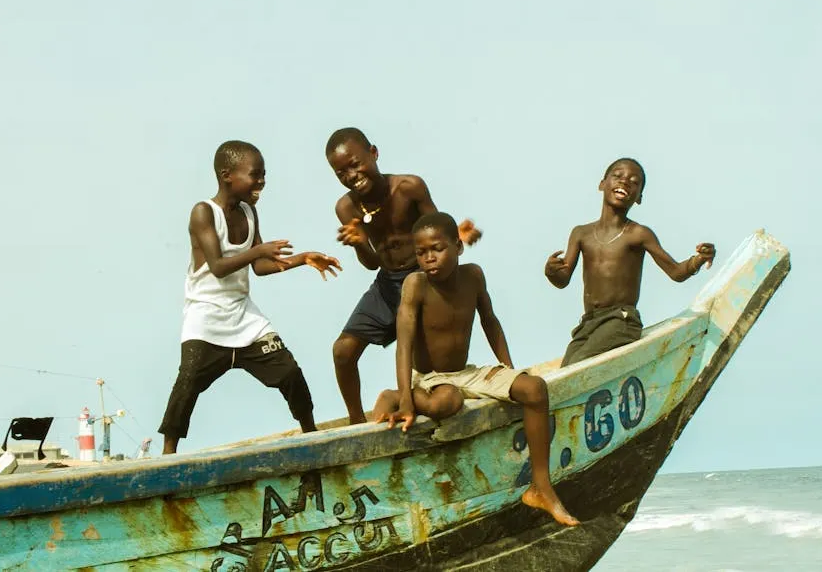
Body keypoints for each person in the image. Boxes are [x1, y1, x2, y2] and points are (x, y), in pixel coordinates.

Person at [372, 212, 579, 526]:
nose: (428, 258)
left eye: (437, 249)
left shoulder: (474, 276)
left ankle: (541, 488)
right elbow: (403, 343)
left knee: (535, 388)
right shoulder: (415, 285)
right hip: (429, 379)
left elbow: (490, 321)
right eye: (421, 252)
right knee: (448, 402)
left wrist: (509, 371)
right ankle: (399, 395)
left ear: (458, 246)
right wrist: (405, 400)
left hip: (467, 372)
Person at [158, 140, 342, 454]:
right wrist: (258, 249)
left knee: (289, 372)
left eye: (263, 175)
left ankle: (312, 436)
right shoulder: (204, 212)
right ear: (227, 175)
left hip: (243, 316)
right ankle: (167, 455)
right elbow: (217, 266)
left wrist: (301, 259)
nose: (261, 182)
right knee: (187, 382)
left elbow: (258, 266)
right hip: (206, 317)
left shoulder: (249, 210)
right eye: (255, 175)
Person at [326, 127, 481, 424]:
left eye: (356, 164)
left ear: (374, 153)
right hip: (387, 282)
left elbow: (438, 232)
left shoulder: (409, 188)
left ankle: (409, 397)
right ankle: (357, 425)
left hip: (424, 279)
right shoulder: (346, 207)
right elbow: (372, 263)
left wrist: (459, 236)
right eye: (341, 172)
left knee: (429, 358)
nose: (351, 175)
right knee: (343, 351)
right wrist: (360, 243)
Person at [544, 158, 716, 367]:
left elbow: (676, 272)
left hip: (621, 320)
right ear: (602, 184)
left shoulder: (638, 234)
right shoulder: (581, 233)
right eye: (617, 176)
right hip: (588, 323)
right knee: (564, 372)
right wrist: (551, 272)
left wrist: (698, 259)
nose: (624, 182)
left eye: (634, 182)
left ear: (639, 197)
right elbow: (563, 279)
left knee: (578, 364)